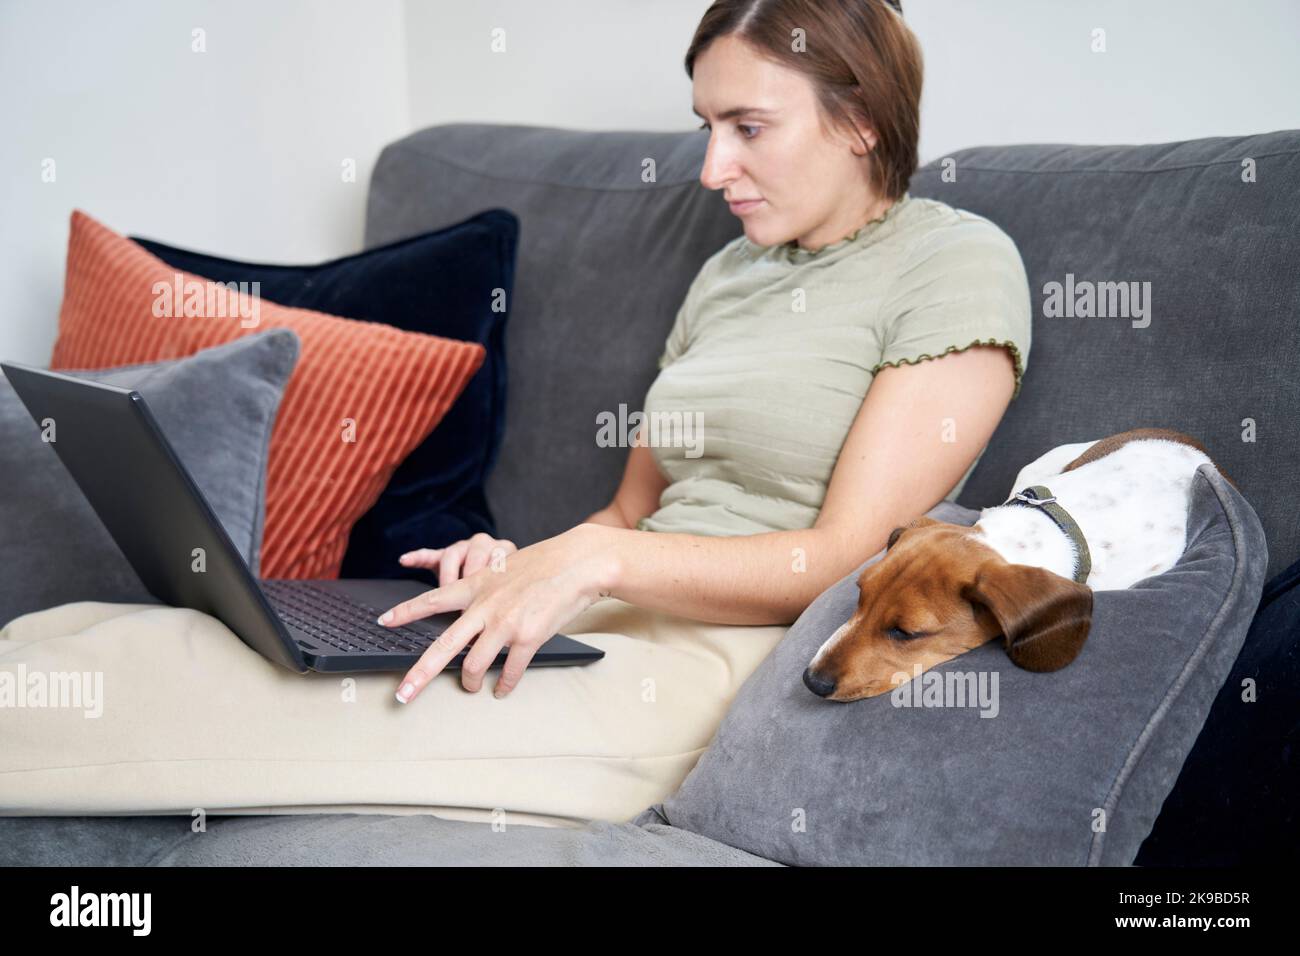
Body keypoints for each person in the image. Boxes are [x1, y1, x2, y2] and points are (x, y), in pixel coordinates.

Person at [379, 0, 1031, 707]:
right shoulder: (726, 273)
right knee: (296, 666)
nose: (713, 170)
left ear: (860, 120)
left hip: (730, 662)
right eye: (708, 127)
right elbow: (626, 517)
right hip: (605, 623)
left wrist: (596, 562)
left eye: (749, 127)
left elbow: (846, 561)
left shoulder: (955, 263)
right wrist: (520, 565)